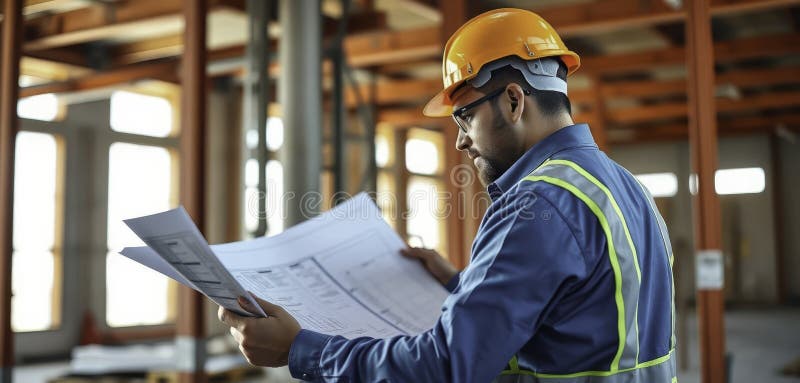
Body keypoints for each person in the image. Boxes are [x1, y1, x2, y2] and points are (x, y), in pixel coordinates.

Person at [219, 8, 677, 382]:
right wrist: (457, 282)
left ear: (514, 101)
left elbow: (449, 365)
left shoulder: (537, 203)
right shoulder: (624, 188)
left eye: (465, 119)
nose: (460, 142)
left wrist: (300, 350)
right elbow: (576, 314)